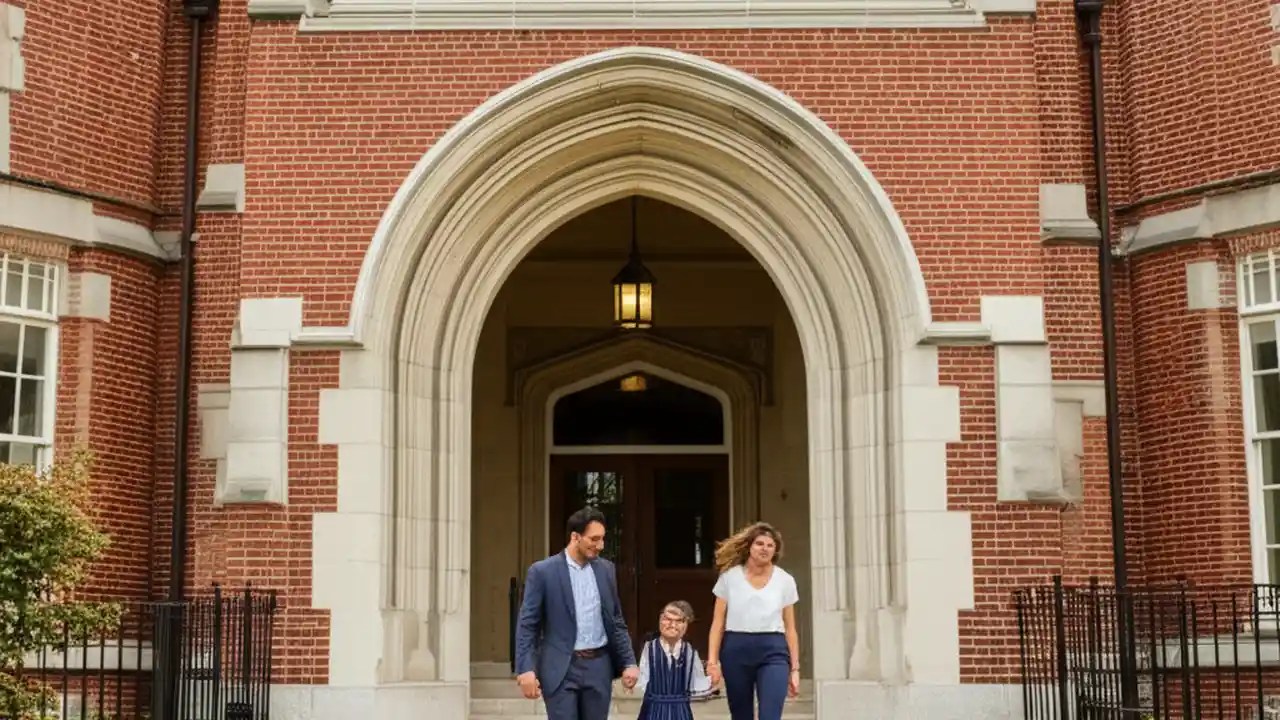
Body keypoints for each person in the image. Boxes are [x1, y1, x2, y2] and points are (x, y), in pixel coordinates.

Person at [514, 506, 640, 720]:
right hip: (561, 667)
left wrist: (629, 662)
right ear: (575, 537)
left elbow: (616, 620)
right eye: (594, 539)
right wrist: (525, 669)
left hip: (598, 666)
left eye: (602, 539)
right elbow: (528, 625)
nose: (600, 545)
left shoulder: (606, 570)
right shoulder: (543, 572)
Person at [704, 522, 801, 720]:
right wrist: (713, 662)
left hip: (773, 651)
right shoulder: (729, 578)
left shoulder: (785, 580)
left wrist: (795, 668)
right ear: (749, 546)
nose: (764, 549)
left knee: (770, 715)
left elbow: (790, 628)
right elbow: (717, 624)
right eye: (759, 543)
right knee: (741, 715)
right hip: (736, 650)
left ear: (775, 551)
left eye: (770, 545)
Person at [633, 600, 715, 720]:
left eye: (679, 621)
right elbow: (642, 680)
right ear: (660, 621)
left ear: (686, 625)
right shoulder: (649, 648)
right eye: (667, 619)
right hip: (654, 710)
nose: (672, 625)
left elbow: (697, 684)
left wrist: (712, 680)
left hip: (680, 711)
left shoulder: (690, 652)